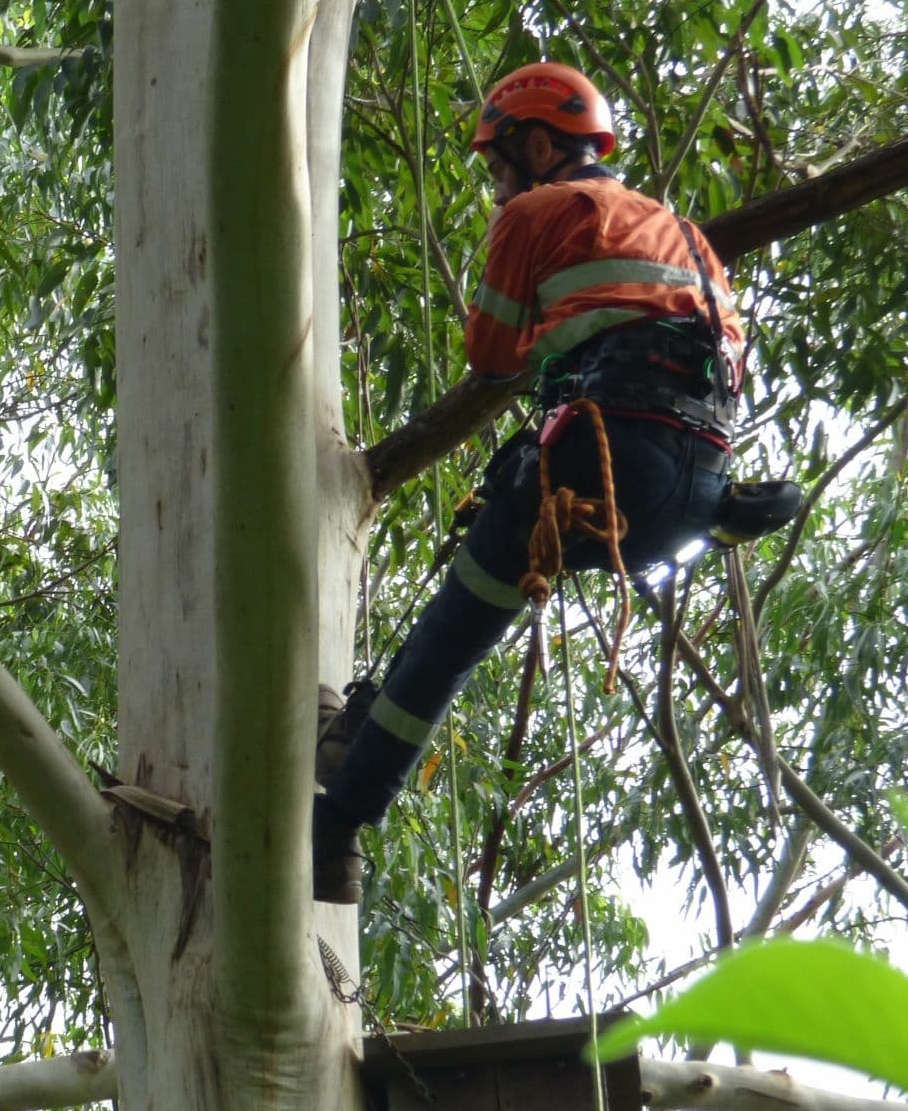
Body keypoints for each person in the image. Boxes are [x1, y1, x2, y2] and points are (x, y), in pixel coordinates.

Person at [313, 60, 751, 906]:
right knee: (478, 593)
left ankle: (340, 828)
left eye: (499, 165)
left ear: (542, 145)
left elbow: (492, 354)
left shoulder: (537, 212)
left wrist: (526, 269)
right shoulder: (687, 234)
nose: (496, 185)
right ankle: (360, 731)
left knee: (459, 624)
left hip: (602, 453)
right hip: (695, 487)